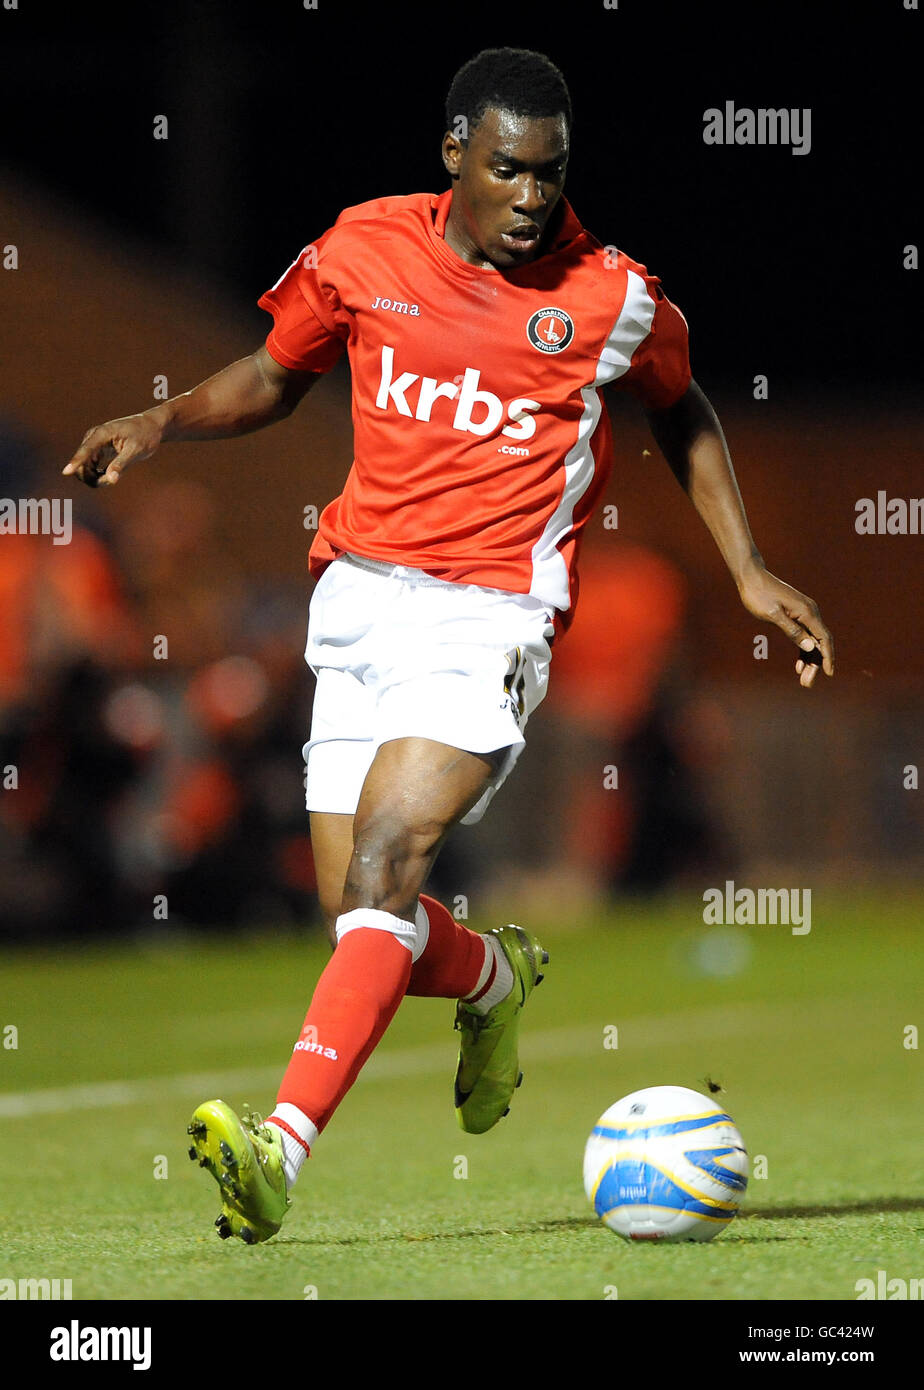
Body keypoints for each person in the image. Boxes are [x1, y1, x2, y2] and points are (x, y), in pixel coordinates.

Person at [63, 47, 834, 1244]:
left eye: (554, 173)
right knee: (356, 915)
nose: (535, 197)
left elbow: (679, 402)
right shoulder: (365, 247)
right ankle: (489, 976)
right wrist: (160, 418)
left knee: (383, 867)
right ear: (454, 157)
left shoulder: (612, 293)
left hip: (491, 616)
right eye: (511, 171)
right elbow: (277, 373)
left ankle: (277, 1153)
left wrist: (745, 566)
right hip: (358, 602)